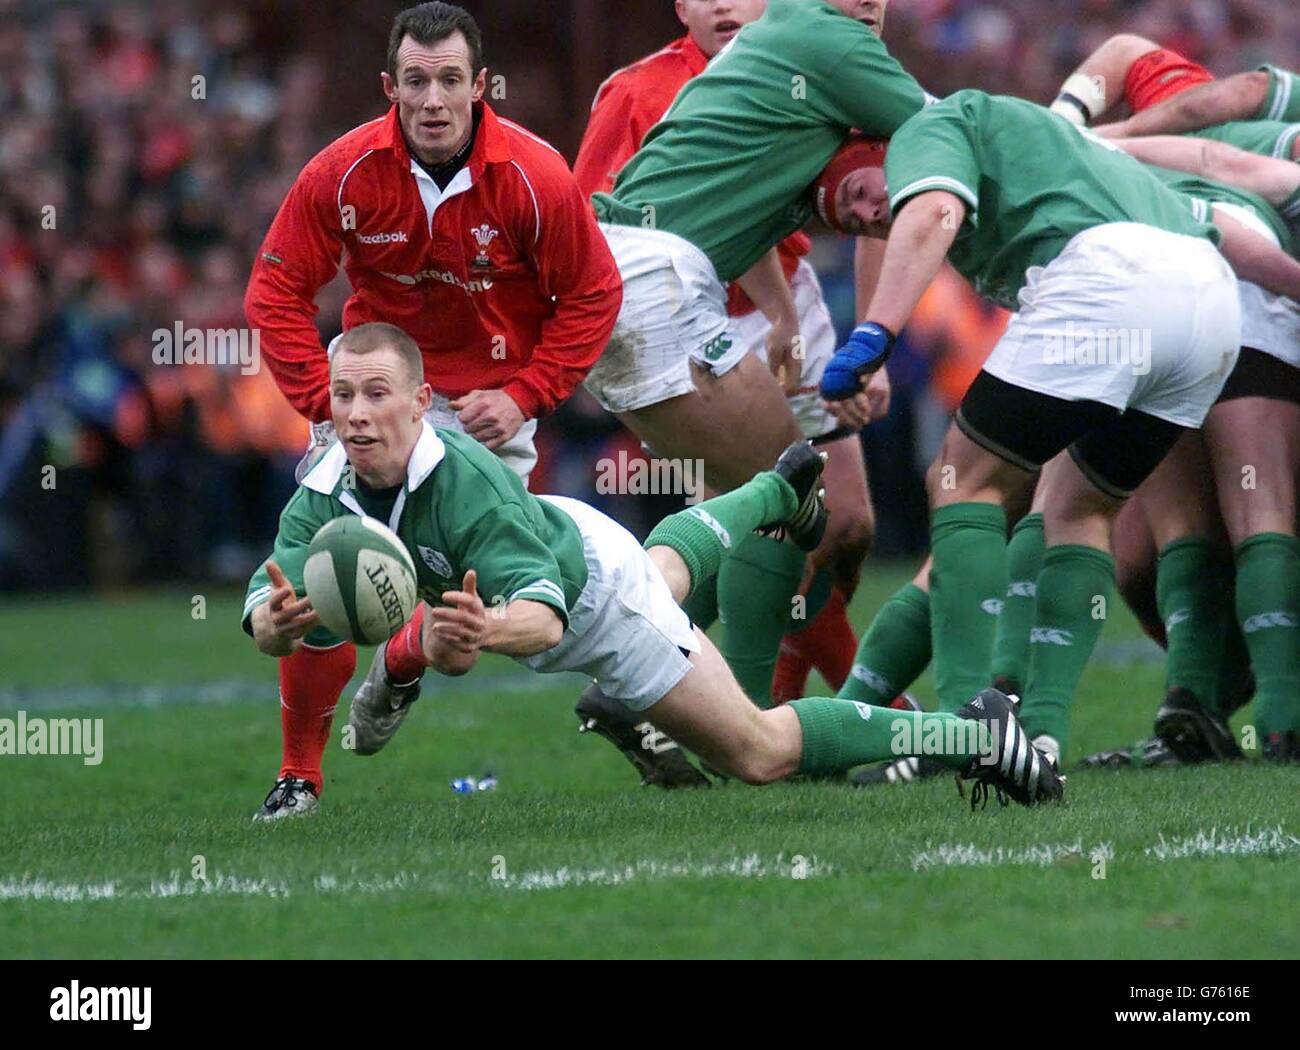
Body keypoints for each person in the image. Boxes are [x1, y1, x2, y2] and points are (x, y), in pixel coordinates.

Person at [243, 321, 1064, 812]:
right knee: (663, 574)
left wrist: (483, 631)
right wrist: (270, 624)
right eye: (343, 394)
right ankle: (775, 494)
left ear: (421, 403)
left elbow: (547, 620)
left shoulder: (471, 488)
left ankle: (972, 733)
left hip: (588, 601)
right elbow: (265, 604)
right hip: (576, 539)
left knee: (757, 752)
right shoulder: (323, 490)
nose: (355, 413)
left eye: (377, 393)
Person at [818, 91, 1300, 765]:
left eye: (861, 194)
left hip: (1113, 285)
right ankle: (1042, 730)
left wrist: (873, 336)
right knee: (1083, 509)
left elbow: (934, 207)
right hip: (1210, 306)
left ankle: (961, 727)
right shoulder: (1097, 160)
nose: (870, 216)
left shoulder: (940, 130)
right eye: (854, 221)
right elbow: (1224, 227)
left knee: (961, 481)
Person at [243, 2, 622, 818]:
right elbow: (275, 289)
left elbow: (593, 292)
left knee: (487, 613)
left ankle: (408, 659)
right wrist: (327, 401)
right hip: (379, 405)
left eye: (451, 80)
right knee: (324, 575)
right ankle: (299, 775)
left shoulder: (534, 175)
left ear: (480, 85)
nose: (434, 99)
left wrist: (526, 394)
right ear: (391, 86)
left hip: (489, 418)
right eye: (416, 80)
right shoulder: (341, 173)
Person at [574, 0, 924, 772]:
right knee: (781, 497)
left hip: (750, 303)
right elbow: (594, 209)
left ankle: (724, 706)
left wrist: (807, 322)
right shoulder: (642, 86)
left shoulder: (804, 70)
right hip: (664, 292)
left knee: (830, 519)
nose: (728, 2)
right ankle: (766, 719)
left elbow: (813, 204)